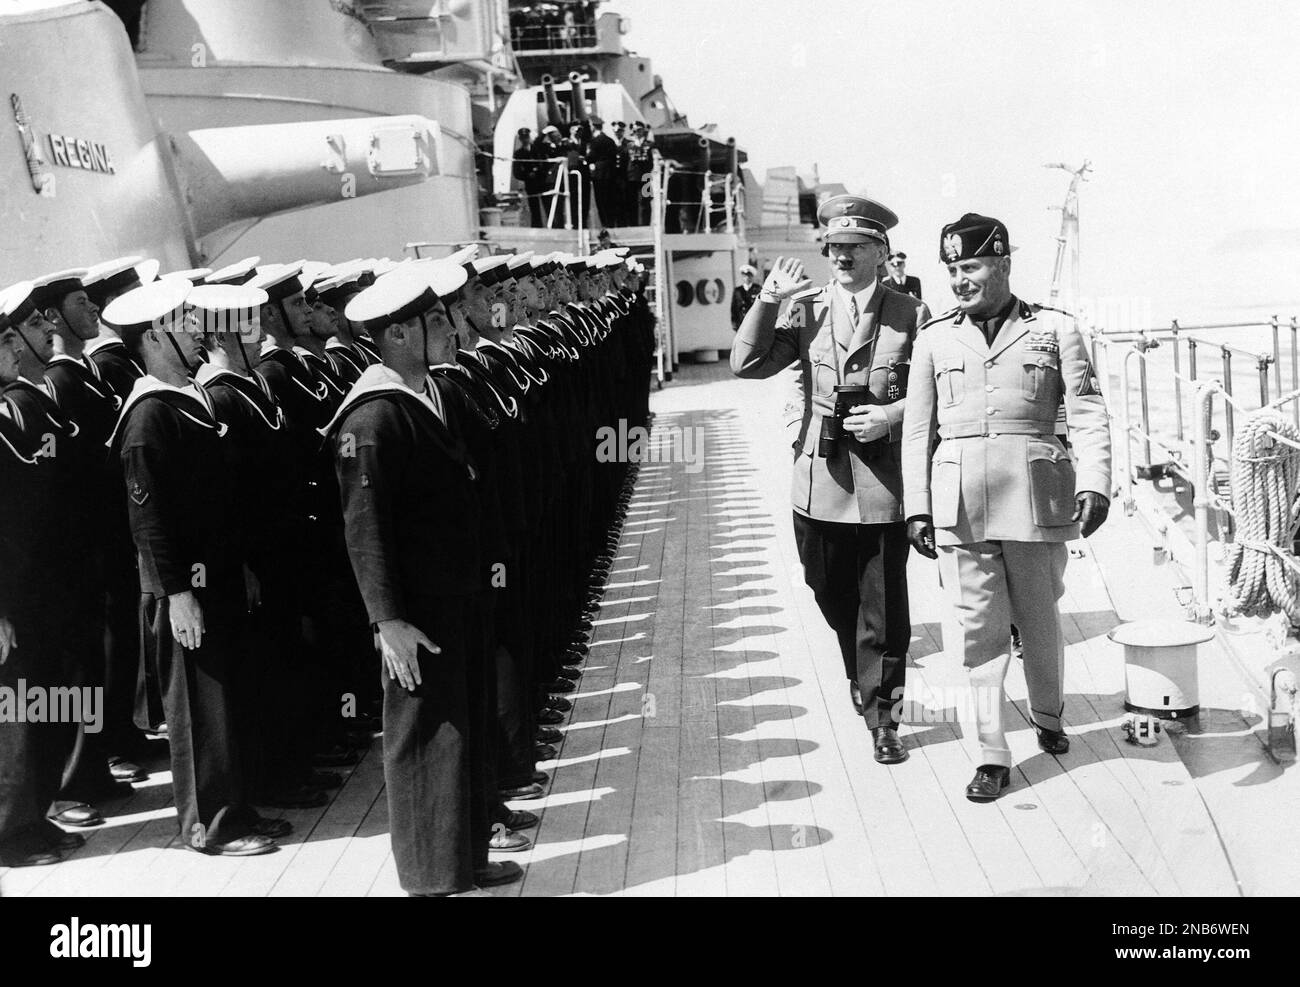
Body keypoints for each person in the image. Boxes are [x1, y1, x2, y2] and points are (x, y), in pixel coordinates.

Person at [901, 212, 1111, 801]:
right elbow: (919, 431)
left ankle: (1047, 714)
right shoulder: (935, 337)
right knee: (977, 631)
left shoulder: (1056, 330)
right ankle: (991, 751)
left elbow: (1090, 411)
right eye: (952, 271)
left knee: (1041, 622)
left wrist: (1096, 482)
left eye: (970, 267)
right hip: (960, 503)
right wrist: (917, 507)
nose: (960, 281)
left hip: (1037, 498)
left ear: (1003, 264)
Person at [326, 262, 518, 896]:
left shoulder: (438, 393)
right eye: (437, 320)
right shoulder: (373, 419)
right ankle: (431, 875)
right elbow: (365, 528)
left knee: (464, 726)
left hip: (461, 593)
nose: (452, 326)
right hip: (416, 610)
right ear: (400, 335)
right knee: (424, 734)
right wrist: (387, 620)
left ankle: (466, 855)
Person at [730, 194, 930, 764]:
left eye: (854, 248)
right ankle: (858, 666)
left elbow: (934, 390)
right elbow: (746, 364)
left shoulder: (909, 312)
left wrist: (888, 417)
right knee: (827, 587)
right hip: (818, 478)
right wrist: (768, 299)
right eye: (834, 247)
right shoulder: (805, 309)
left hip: (884, 482)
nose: (840, 256)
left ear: (879, 252)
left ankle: (884, 714)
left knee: (884, 605)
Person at [104, 276, 280, 856]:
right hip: (187, 590)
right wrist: (176, 593)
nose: (197, 327)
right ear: (155, 337)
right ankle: (209, 825)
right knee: (199, 710)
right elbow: (146, 521)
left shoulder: (192, 399)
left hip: (221, 576)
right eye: (182, 322)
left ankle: (237, 806)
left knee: (227, 700)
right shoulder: (149, 416)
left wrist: (244, 566)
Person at [586, 117, 622, 228]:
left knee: (601, 201)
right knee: (610, 201)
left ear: (592, 126)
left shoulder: (594, 141)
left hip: (599, 175)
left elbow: (590, 157)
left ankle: (605, 225)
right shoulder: (610, 140)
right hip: (611, 174)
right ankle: (611, 224)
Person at [730, 264, 762, 330]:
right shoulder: (738, 290)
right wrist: (734, 323)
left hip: (754, 321)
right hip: (741, 322)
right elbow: (734, 308)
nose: (747, 278)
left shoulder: (757, 289)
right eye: (744, 276)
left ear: (752, 277)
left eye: (749, 276)